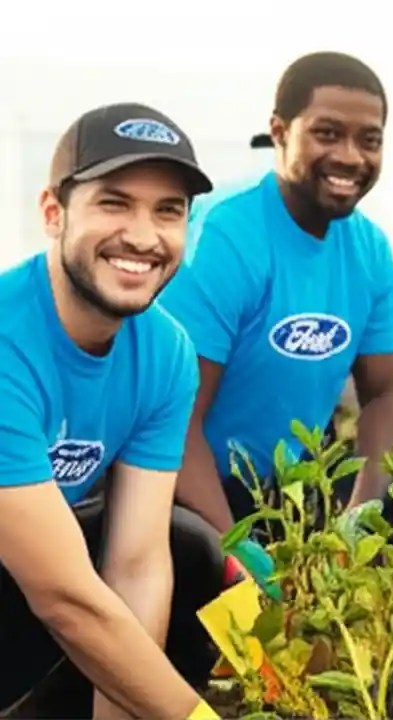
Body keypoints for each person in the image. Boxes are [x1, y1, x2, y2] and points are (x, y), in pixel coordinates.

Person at [0, 103, 223, 719]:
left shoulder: (165, 353)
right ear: (53, 213)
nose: (143, 236)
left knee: (187, 549)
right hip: (34, 587)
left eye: (168, 211)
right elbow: (65, 598)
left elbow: (137, 565)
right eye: (114, 203)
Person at [158, 51, 393, 533]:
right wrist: (235, 552)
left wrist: (358, 522)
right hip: (184, 491)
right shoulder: (224, 235)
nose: (350, 156)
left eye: (369, 140)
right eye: (327, 133)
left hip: (291, 493)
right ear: (279, 132)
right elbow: (173, 418)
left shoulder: (371, 249)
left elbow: (387, 391)